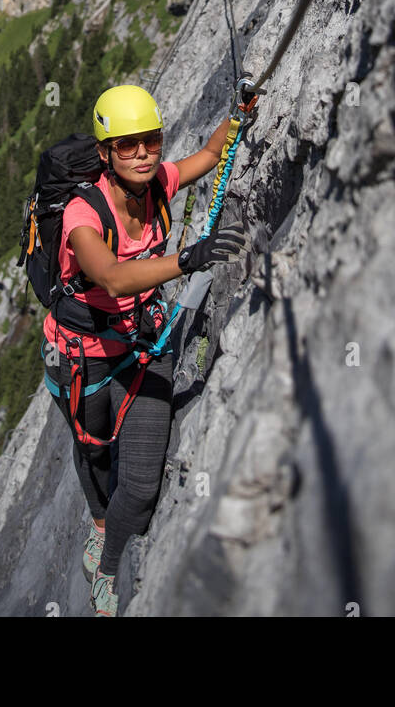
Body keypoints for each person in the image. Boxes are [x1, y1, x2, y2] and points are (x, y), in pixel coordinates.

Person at [42, 82, 255, 617]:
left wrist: (240, 114)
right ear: (106, 152)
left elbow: (209, 155)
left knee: (137, 487)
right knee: (93, 451)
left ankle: (107, 565)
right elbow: (112, 277)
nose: (142, 154)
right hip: (84, 356)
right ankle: (96, 521)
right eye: (128, 145)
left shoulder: (158, 182)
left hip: (142, 346)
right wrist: (187, 260)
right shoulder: (81, 216)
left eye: (151, 141)